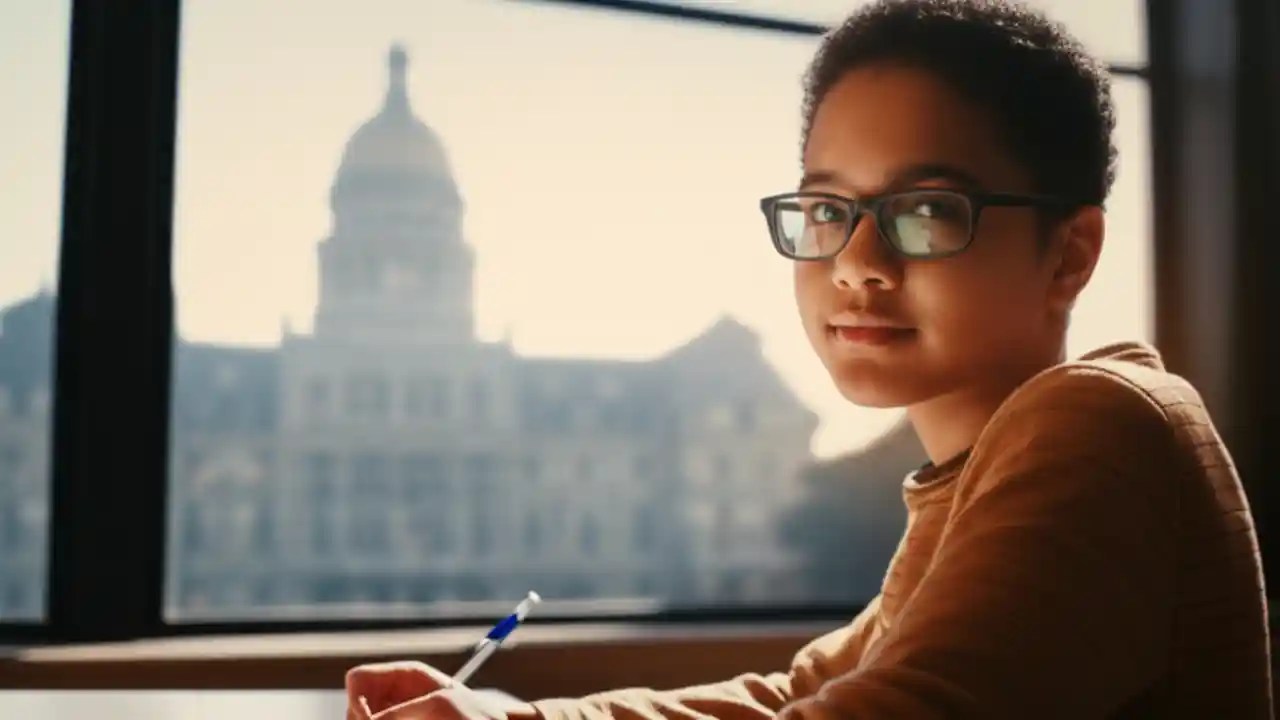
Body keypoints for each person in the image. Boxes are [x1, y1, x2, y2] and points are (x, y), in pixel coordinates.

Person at [346, 1, 1273, 717]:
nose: (856, 265)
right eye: (828, 211)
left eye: (926, 212)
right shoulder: (973, 481)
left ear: (1070, 255)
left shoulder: (1099, 423)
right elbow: (798, 693)